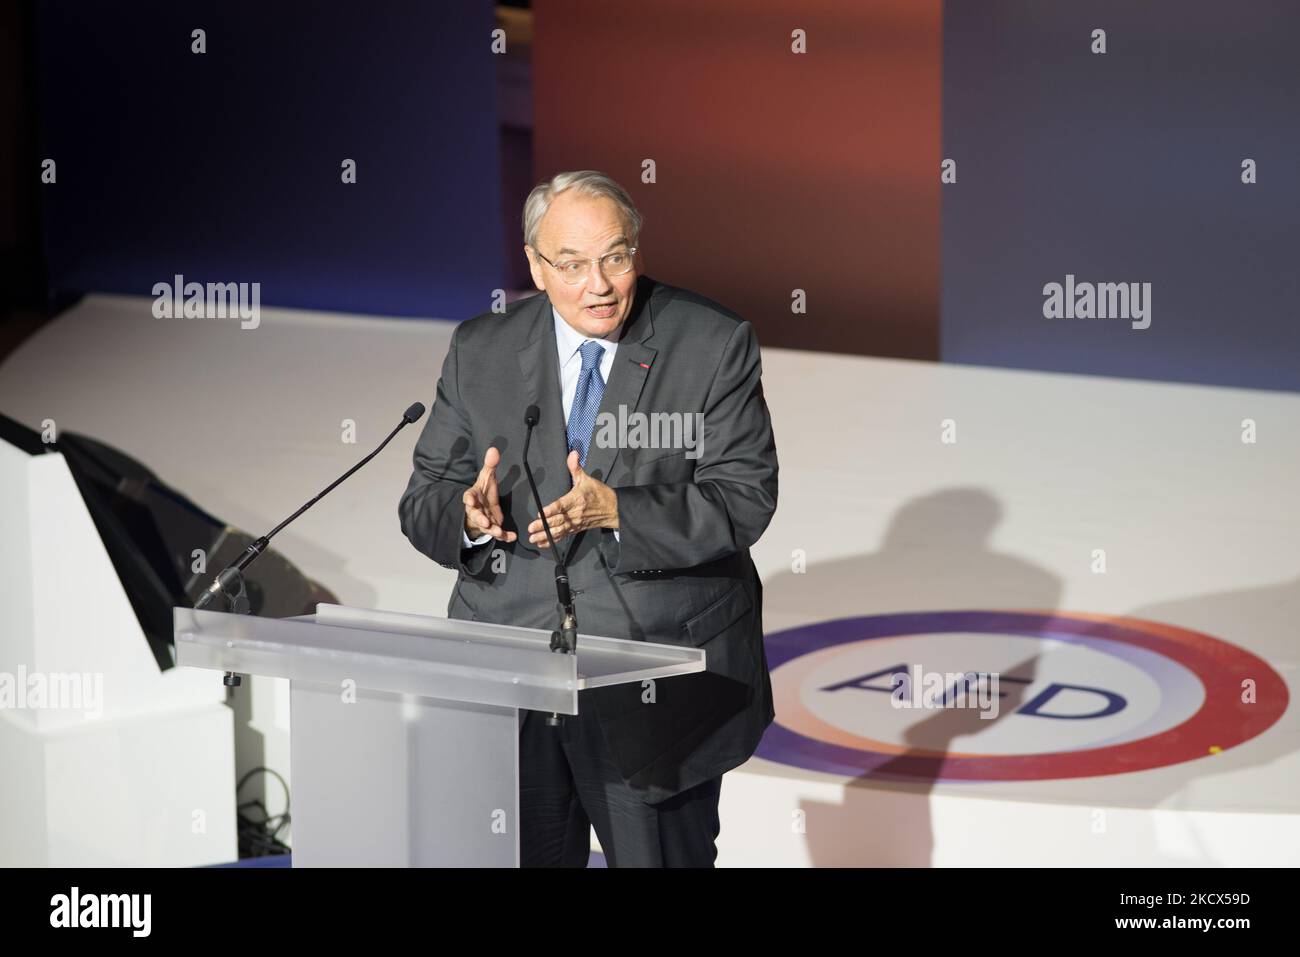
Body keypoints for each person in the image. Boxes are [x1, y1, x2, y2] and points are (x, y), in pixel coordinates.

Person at [398, 169, 778, 867]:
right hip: (511, 668)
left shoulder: (711, 343)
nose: (598, 284)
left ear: (638, 248)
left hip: (653, 672)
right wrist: (470, 520)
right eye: (571, 264)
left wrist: (619, 511)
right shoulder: (480, 349)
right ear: (537, 269)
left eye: (616, 256)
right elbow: (424, 499)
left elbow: (744, 496)